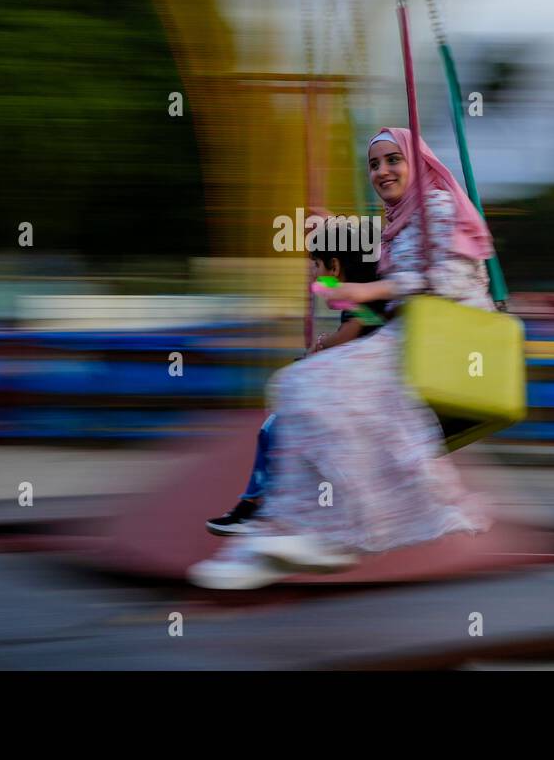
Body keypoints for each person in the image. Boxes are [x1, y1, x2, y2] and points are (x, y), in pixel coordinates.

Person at [188, 126, 497, 589]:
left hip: (447, 339)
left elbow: (448, 280)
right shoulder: (397, 222)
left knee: (303, 388)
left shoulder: (436, 206)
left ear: (419, 164)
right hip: (409, 335)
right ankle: (284, 536)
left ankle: (314, 533)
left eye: (394, 160)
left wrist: (362, 290)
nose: (382, 171)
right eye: (374, 164)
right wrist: (332, 230)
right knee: (297, 396)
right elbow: (367, 257)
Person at [205, 223, 388, 535]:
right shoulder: (358, 294)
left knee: (276, 429)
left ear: (335, 265)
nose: (313, 275)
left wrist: (322, 346)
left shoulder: (360, 296)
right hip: (353, 388)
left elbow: (356, 329)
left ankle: (258, 507)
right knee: (279, 430)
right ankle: (267, 506)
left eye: (316, 265)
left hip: (357, 396)